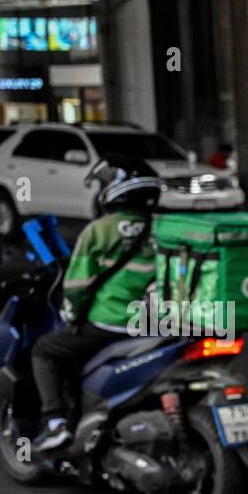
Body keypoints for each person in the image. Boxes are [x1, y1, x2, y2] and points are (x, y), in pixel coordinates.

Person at [30, 172, 163, 452]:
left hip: (111, 322)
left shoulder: (100, 230)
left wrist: (71, 315)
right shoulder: (162, 228)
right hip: (155, 322)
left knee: (45, 350)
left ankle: (55, 423)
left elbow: (77, 286)